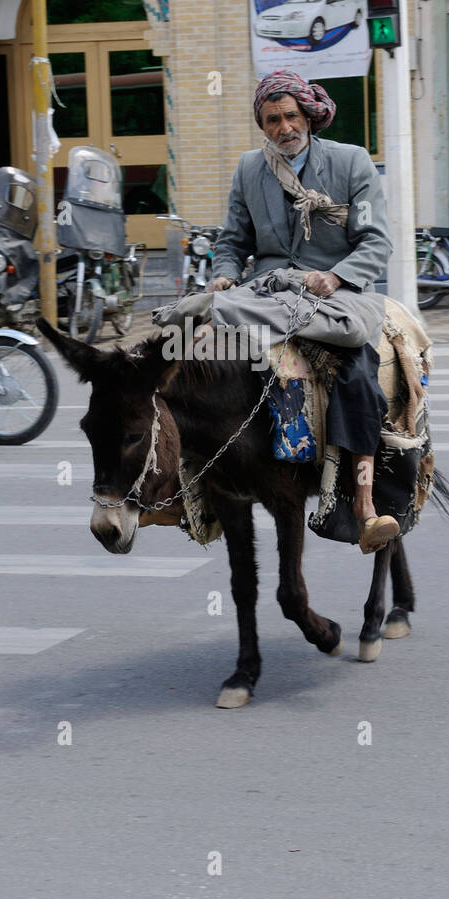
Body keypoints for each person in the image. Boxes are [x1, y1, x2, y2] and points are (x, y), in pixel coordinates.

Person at [156, 69, 398, 554]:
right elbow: (232, 241)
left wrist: (336, 277)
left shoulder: (351, 164)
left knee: (357, 375)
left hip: (336, 297)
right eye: (272, 119)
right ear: (262, 125)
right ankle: (187, 491)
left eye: (291, 116)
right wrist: (224, 273)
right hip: (264, 295)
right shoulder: (249, 169)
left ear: (308, 117)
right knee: (187, 355)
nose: (284, 127)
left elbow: (377, 242)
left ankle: (364, 503)